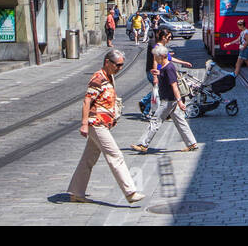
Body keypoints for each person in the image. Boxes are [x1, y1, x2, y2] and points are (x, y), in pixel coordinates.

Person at [68, 50, 144, 204]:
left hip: (103, 124)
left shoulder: (109, 77)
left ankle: (76, 192)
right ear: (107, 62)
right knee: (115, 155)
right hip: (96, 123)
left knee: (88, 159)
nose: (120, 68)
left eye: (122, 65)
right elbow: (87, 101)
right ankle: (130, 192)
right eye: (118, 65)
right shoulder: (97, 78)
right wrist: (84, 124)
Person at [132, 45, 198, 154]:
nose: (155, 59)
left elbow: (174, 86)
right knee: (181, 122)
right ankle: (192, 143)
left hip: (168, 101)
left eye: (156, 57)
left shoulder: (169, 68)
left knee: (155, 121)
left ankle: (143, 144)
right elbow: (166, 78)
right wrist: (158, 74)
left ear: (162, 56)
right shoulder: (164, 67)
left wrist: (180, 101)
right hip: (170, 100)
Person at [223, 18, 248, 83]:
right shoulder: (243, 32)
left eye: (239, 25)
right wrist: (229, 43)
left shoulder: (246, 32)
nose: (238, 27)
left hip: (245, 50)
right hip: (244, 50)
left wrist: (243, 47)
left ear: (242, 25)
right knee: (247, 65)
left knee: (239, 64)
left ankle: (233, 78)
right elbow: (238, 39)